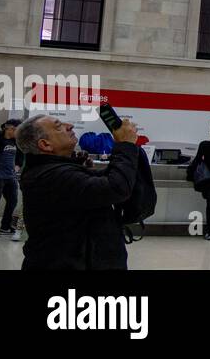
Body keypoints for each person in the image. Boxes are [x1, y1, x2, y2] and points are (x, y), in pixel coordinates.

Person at [16, 114, 139, 270]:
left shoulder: (49, 171)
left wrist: (82, 167)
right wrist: (126, 146)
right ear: (45, 144)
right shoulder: (52, 176)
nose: (69, 125)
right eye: (58, 126)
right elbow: (116, 188)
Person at [0, 120, 19, 235]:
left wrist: (17, 166)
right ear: (9, 128)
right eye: (17, 129)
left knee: (13, 201)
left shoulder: (16, 141)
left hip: (10, 176)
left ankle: (5, 227)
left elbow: (20, 156)